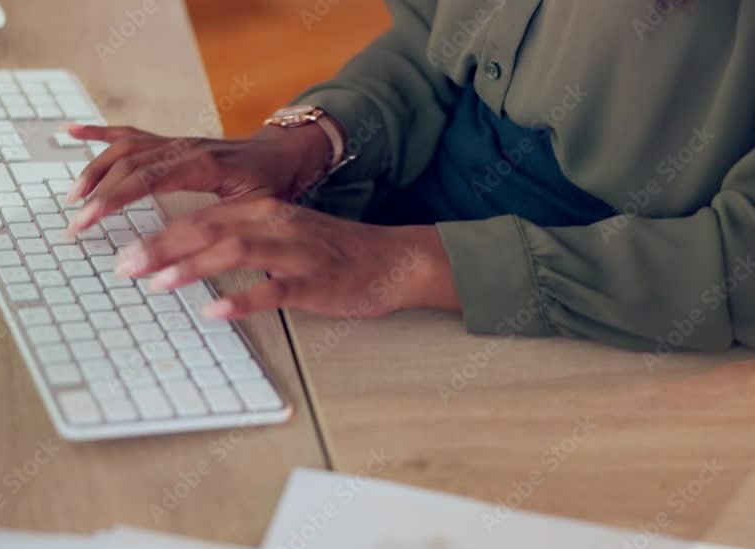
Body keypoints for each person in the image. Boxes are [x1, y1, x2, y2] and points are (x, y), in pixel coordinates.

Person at [65, 0, 754, 352]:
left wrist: (408, 264)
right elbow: (439, 43)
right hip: (387, 226)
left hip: (601, 328)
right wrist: (307, 140)